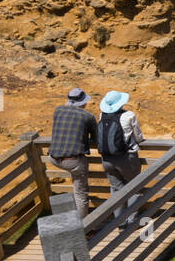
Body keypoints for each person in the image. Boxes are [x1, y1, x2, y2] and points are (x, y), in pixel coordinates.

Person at [97, 91, 145, 230]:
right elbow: (139, 137)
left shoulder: (102, 115)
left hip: (106, 159)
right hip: (126, 158)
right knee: (134, 187)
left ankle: (119, 221)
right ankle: (132, 221)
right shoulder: (128, 116)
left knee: (116, 189)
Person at [48, 87, 97, 217]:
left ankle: (69, 216)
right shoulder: (88, 117)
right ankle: (83, 228)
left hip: (53, 158)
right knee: (81, 194)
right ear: (83, 102)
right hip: (73, 161)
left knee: (76, 187)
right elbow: (96, 138)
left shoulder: (57, 110)